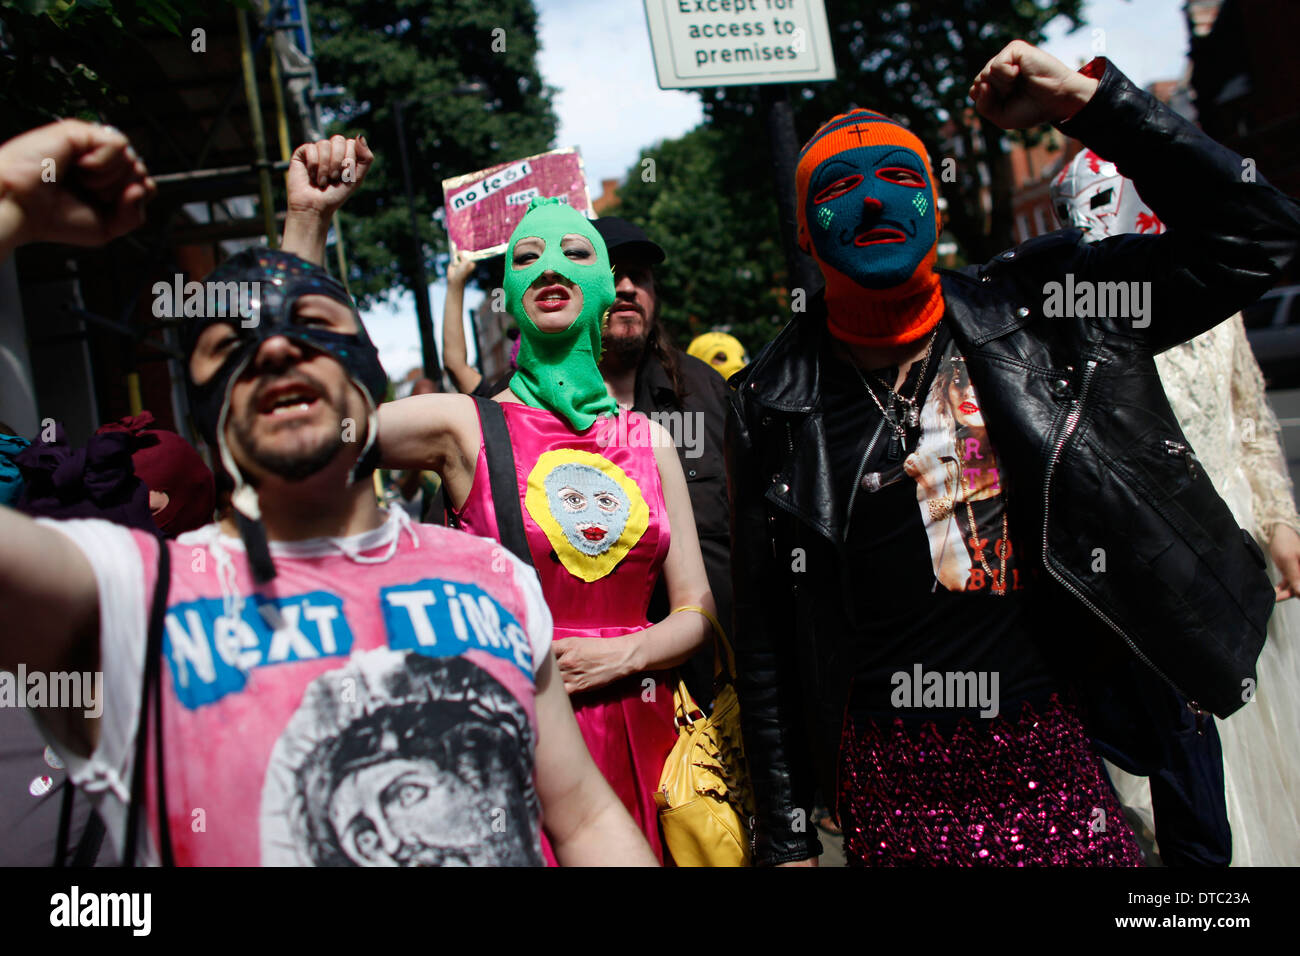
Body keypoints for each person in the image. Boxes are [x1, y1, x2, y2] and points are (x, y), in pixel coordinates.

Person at [0, 135, 659, 862]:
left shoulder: (495, 581)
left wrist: (308, 226)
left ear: (369, 388)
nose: (276, 347)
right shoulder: (134, 595)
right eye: (231, 346)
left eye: (315, 331)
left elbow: (585, 821)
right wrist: (7, 204)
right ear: (204, 411)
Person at [727, 42, 1300, 867]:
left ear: (936, 202)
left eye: (899, 178)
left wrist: (1086, 104)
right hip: (890, 794)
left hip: (1057, 764)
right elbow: (770, 636)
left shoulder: (1045, 310)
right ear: (805, 231)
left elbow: (1257, 234)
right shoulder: (772, 402)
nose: (874, 202)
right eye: (840, 188)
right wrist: (786, 837)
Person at [367, 199, 715, 863]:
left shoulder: (649, 440)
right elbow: (317, 433)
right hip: (518, 739)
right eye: (527, 258)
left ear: (603, 284)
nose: (550, 267)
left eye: (575, 254)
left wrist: (626, 654)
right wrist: (307, 221)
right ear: (512, 294)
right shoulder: (462, 424)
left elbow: (696, 608)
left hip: (652, 743)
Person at [1052, 148, 1300, 866]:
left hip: (1241, 560)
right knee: (1182, 783)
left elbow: (1247, 409)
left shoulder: (1208, 295)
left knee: (1261, 747)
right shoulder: (1085, 315)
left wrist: (1280, 516)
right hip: (1150, 577)